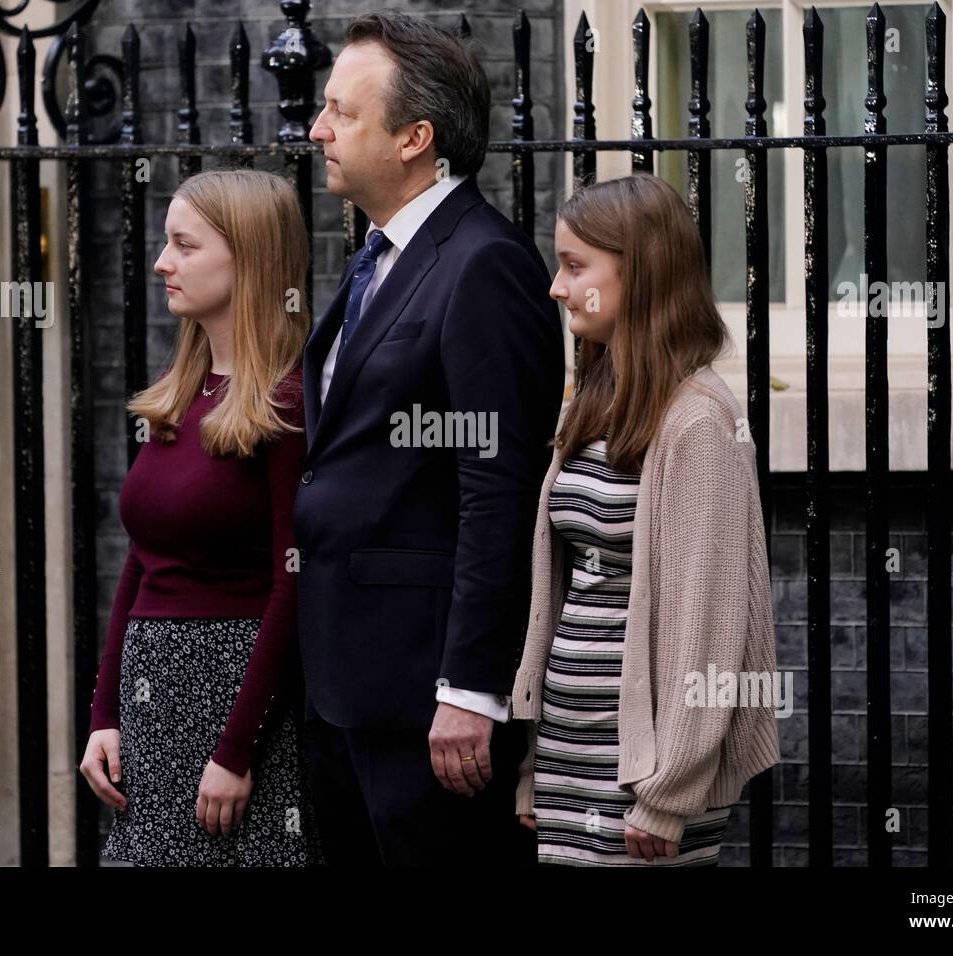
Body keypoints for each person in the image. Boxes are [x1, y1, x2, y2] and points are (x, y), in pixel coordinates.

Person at [294, 13, 564, 866]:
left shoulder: (484, 263)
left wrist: (471, 689)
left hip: (427, 702)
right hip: (342, 685)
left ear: (415, 137)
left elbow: (499, 490)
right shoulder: (377, 257)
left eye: (342, 111)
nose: (317, 129)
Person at [511, 172, 781, 866]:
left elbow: (712, 618)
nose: (556, 286)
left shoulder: (698, 420)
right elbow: (569, 597)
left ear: (644, 272)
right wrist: (535, 762)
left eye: (575, 267)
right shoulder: (591, 402)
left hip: (647, 773)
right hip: (573, 753)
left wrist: (670, 791)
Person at [79, 169, 323, 866]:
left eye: (185, 246)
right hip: (151, 702)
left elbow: (292, 583)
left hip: (234, 699)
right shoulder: (181, 395)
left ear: (246, 260)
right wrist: (105, 715)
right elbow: (140, 562)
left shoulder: (286, 403)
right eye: (166, 244)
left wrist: (237, 749)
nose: (163, 263)